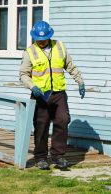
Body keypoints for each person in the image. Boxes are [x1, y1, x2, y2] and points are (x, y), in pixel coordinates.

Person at [19, 20, 85, 170]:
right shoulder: (30, 52)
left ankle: (57, 155)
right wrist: (32, 86)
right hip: (40, 95)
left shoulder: (60, 46)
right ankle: (41, 158)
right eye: (38, 39)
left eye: (44, 39)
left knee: (63, 120)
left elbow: (69, 65)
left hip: (58, 93)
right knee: (41, 126)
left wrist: (80, 81)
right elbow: (23, 74)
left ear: (49, 35)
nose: (41, 42)